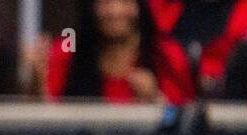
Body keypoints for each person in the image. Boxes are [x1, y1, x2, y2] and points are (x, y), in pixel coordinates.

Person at [39, 0, 196, 103]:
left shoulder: (166, 54)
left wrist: (155, 98)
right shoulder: (66, 52)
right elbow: (48, 125)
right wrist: (37, 78)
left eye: (125, 1)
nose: (115, 12)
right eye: (105, 2)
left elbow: (187, 126)